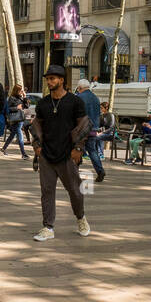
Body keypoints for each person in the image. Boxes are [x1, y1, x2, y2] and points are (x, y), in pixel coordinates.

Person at [30, 65, 92, 240]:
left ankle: (81, 218)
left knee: (75, 190)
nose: (49, 82)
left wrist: (78, 149)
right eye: (48, 79)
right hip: (47, 154)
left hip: (67, 154)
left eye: (53, 78)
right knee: (47, 191)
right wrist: (37, 146)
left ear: (62, 80)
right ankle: (48, 227)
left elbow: (84, 125)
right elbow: (37, 124)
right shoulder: (43, 103)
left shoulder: (75, 101)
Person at [76, 79, 106, 182]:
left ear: (80, 88)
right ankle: (100, 170)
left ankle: (75, 172)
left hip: (82, 129)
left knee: (77, 149)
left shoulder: (79, 98)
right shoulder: (95, 98)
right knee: (92, 151)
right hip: (93, 129)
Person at [2, 84, 31, 158]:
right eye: (20, 90)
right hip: (15, 120)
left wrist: (25, 96)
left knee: (12, 135)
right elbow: (8, 109)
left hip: (20, 119)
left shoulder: (21, 98)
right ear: (16, 90)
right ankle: (23, 154)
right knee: (20, 137)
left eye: (22, 90)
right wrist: (16, 108)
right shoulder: (12, 98)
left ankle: (3, 148)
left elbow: (27, 106)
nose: (21, 92)